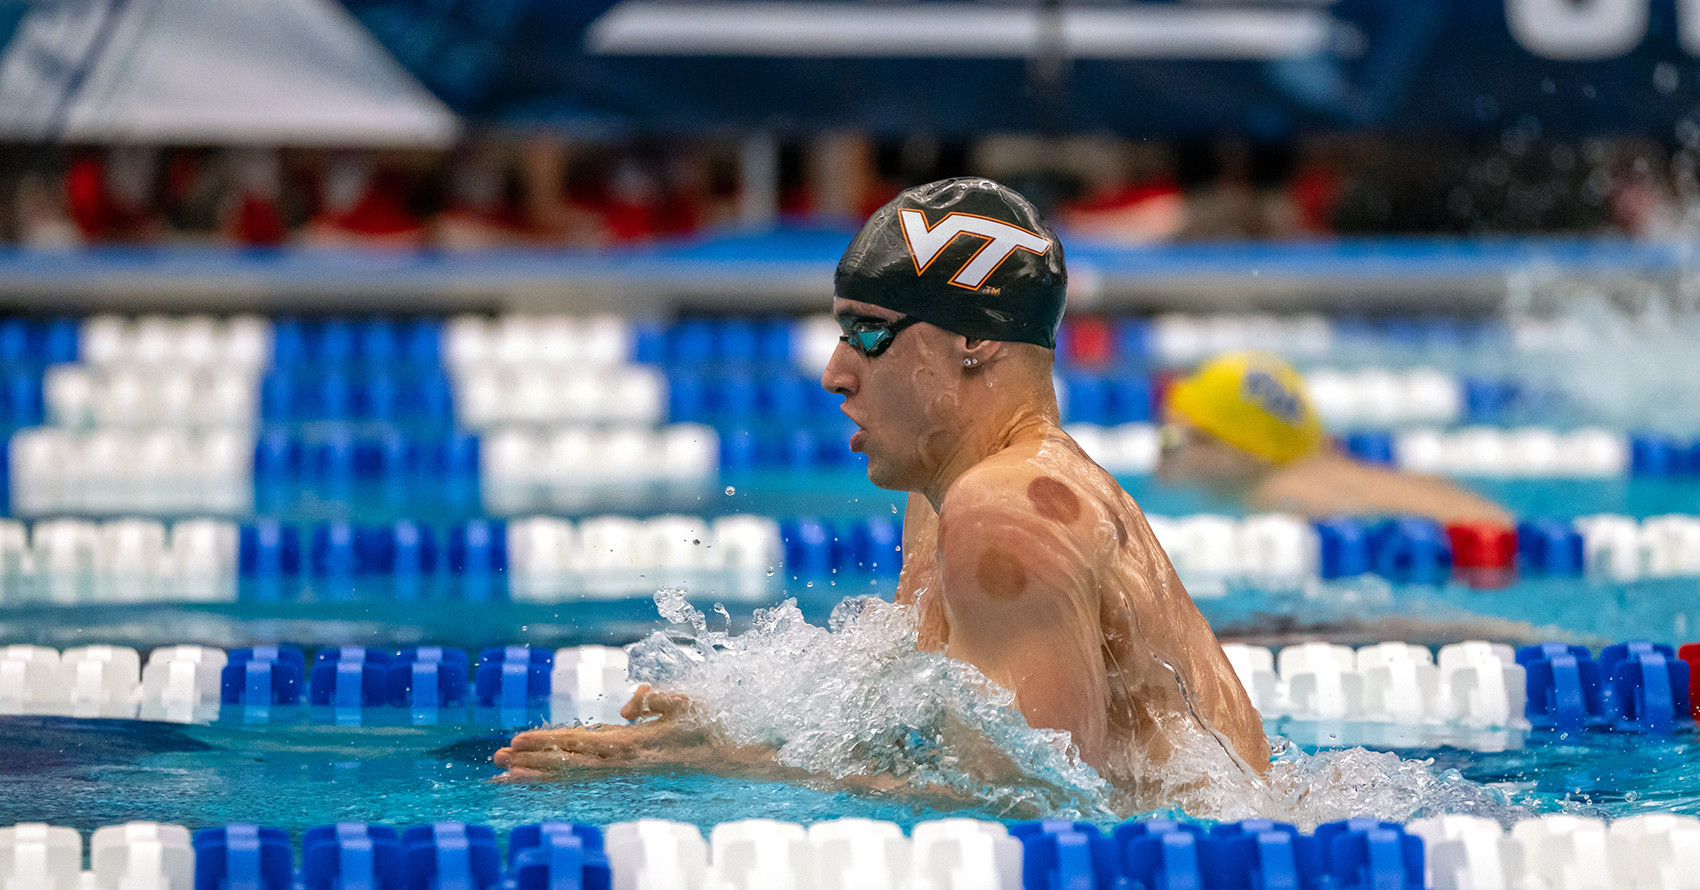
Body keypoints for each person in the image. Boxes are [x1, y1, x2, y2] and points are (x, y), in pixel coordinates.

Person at [494, 177, 1269, 799]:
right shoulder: (951, 494)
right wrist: (767, 726)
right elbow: (944, 733)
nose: (835, 372)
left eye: (868, 332)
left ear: (972, 340)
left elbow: (1047, 803)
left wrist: (740, 762)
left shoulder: (1003, 512)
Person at [1156, 351, 1511, 523]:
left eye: (1176, 439)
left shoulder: (1281, 496)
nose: (1162, 455)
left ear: (1250, 453)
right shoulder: (1338, 470)